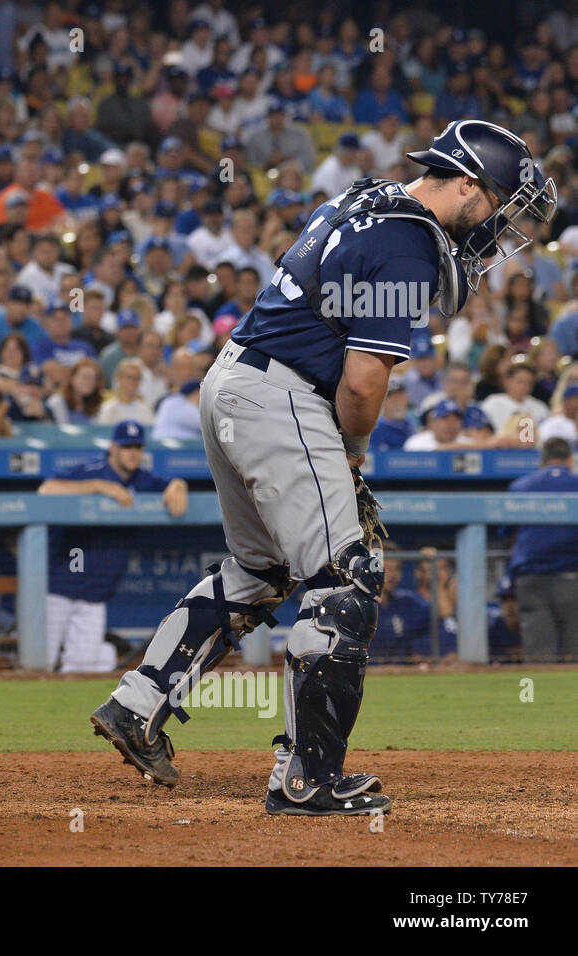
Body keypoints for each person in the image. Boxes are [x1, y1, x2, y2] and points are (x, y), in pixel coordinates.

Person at [89, 119, 555, 815]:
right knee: (346, 578)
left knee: (263, 571)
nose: (494, 228)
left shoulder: (364, 198)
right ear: (465, 183)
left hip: (233, 382)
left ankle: (139, 700)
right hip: (282, 395)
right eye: (493, 204)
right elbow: (365, 383)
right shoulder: (408, 244)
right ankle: (306, 778)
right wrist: (350, 448)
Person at [39, 420, 188, 672]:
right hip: (58, 586)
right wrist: (99, 487)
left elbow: (171, 485)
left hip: (96, 593)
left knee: (81, 669)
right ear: (113, 447)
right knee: (39, 663)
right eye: (126, 446)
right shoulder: (92, 471)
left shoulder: (143, 479)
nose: (132, 452)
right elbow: (47, 490)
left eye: (137, 447)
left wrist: (178, 485)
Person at [507, 437, 578, 662]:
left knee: (539, 656)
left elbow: (506, 532)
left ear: (542, 461)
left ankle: (535, 698)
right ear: (570, 460)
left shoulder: (520, 486)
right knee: (574, 656)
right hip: (572, 579)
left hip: (531, 580)